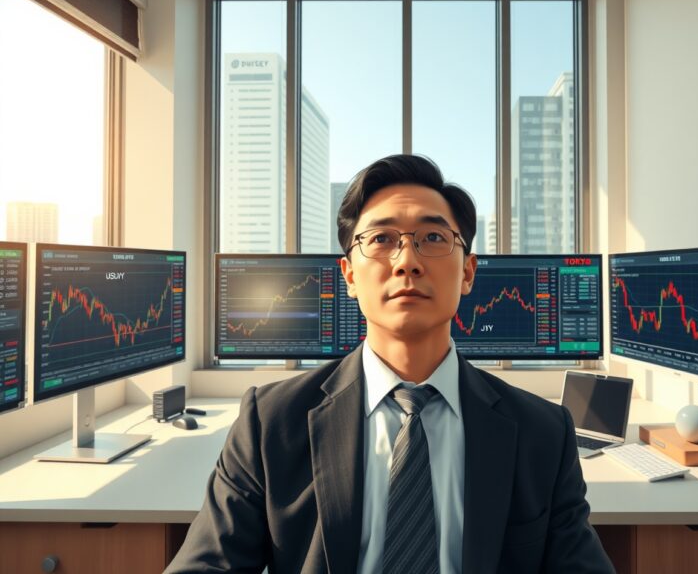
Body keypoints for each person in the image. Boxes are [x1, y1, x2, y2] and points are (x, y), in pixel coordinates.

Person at [165, 154, 614, 573]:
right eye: (381, 239)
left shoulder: (543, 433)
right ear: (349, 276)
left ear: (468, 272)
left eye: (433, 238)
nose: (407, 262)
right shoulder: (270, 423)